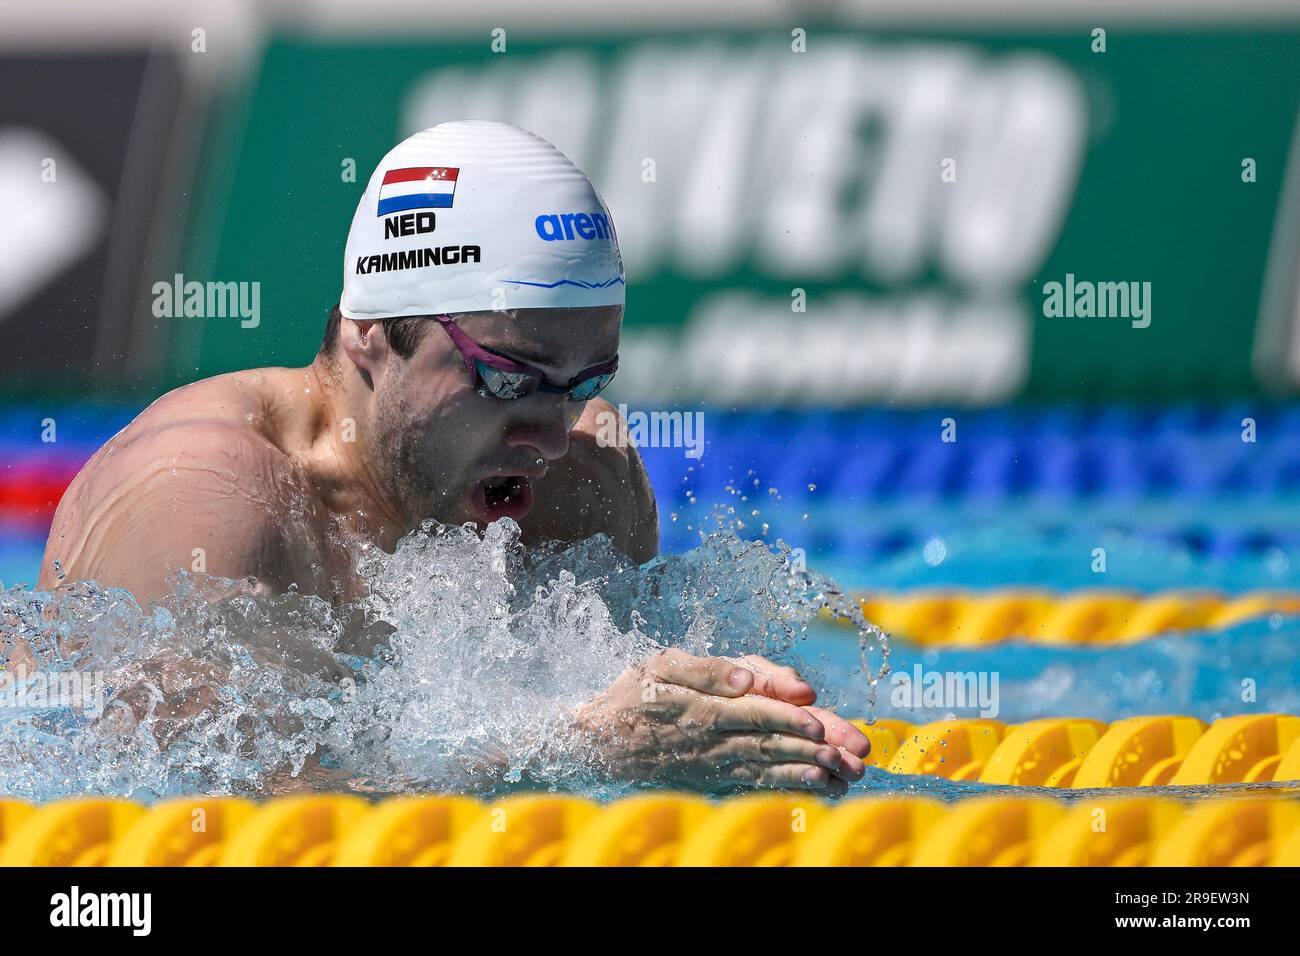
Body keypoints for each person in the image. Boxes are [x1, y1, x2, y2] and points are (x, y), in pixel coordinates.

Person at [35, 120, 868, 793]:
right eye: (508, 380)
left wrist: (726, 719)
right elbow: (208, 813)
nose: (547, 437)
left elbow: (632, 728)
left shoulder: (588, 475)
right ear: (372, 336)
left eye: (582, 381)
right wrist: (574, 748)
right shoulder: (202, 503)